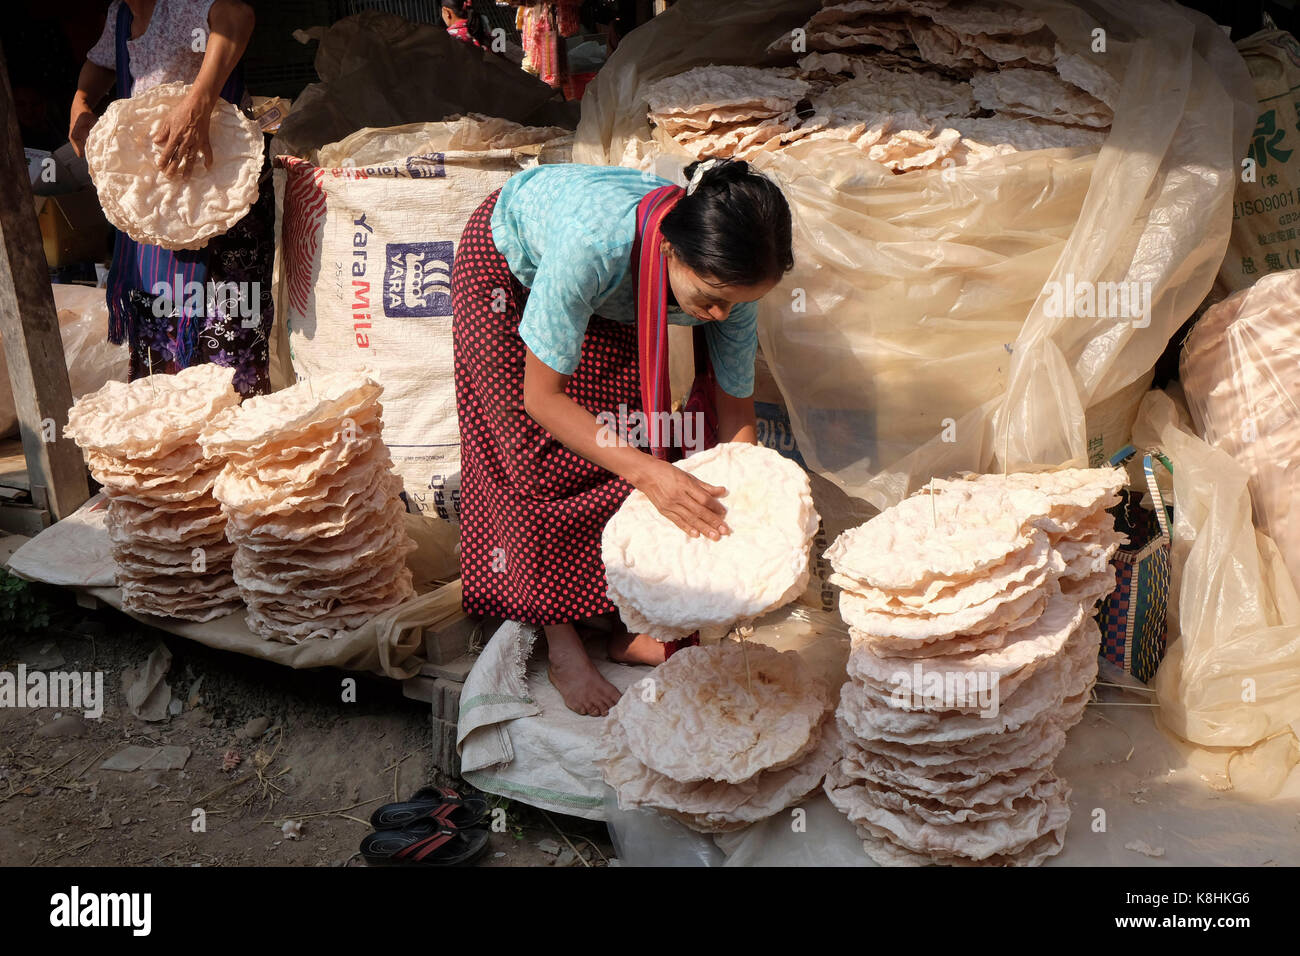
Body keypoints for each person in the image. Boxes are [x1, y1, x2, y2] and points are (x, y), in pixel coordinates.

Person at [451, 159, 794, 716]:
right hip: (509, 275)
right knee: (537, 459)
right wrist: (649, 472)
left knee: (625, 430)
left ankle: (619, 624)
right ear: (671, 252)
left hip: (616, 284)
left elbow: (735, 412)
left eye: (735, 302)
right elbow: (542, 400)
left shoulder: (727, 281)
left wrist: (749, 517)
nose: (719, 314)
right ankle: (561, 644)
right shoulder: (594, 247)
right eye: (709, 297)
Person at [68, 0, 274, 396]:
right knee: (161, 337)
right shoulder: (121, 14)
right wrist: (81, 102)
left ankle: (230, 443)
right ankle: (174, 445)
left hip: (218, 199)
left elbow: (238, 17)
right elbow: (100, 63)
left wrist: (198, 102)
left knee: (226, 331)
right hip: (158, 207)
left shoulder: (180, 4)